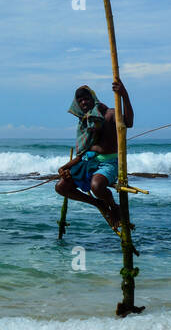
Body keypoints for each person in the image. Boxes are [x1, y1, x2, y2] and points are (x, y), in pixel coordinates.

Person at [54, 81, 134, 230]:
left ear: (93, 98)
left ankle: (113, 207)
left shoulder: (109, 114)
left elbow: (129, 122)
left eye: (86, 98)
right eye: (80, 100)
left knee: (96, 186)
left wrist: (124, 94)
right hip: (89, 162)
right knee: (61, 187)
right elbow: (82, 154)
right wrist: (63, 168)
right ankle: (99, 204)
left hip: (109, 163)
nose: (84, 102)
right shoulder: (84, 122)